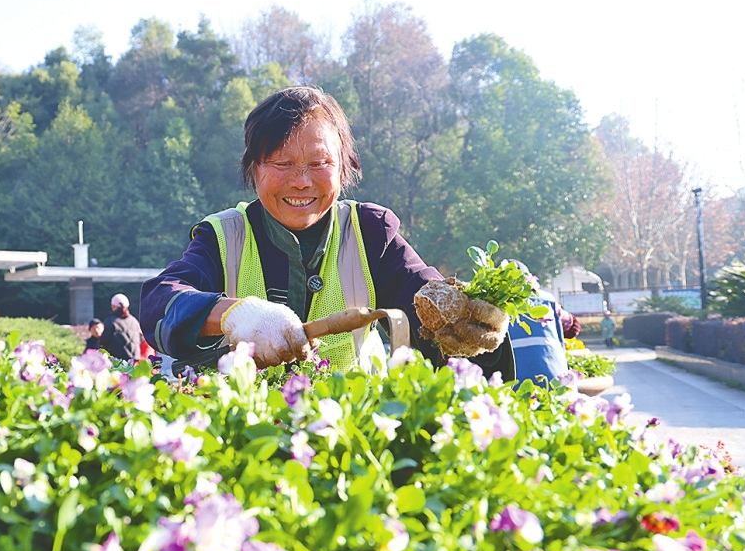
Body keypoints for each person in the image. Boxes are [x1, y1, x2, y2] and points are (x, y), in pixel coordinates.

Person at [140, 86, 513, 375]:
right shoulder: (224, 236)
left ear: (343, 168)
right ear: (253, 169)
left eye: (319, 163)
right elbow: (160, 301)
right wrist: (235, 314)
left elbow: (423, 301)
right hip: (241, 432)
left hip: (342, 433)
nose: (301, 182)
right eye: (282, 163)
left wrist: (465, 324)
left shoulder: (370, 233)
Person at [506, 262, 567, 386]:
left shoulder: (495, 304)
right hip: (556, 378)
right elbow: (569, 330)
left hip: (516, 383)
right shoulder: (548, 299)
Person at [101, 294, 144, 361]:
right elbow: (141, 338)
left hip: (118, 360)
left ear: (114, 306)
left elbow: (104, 341)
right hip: (135, 358)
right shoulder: (134, 320)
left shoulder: (111, 321)